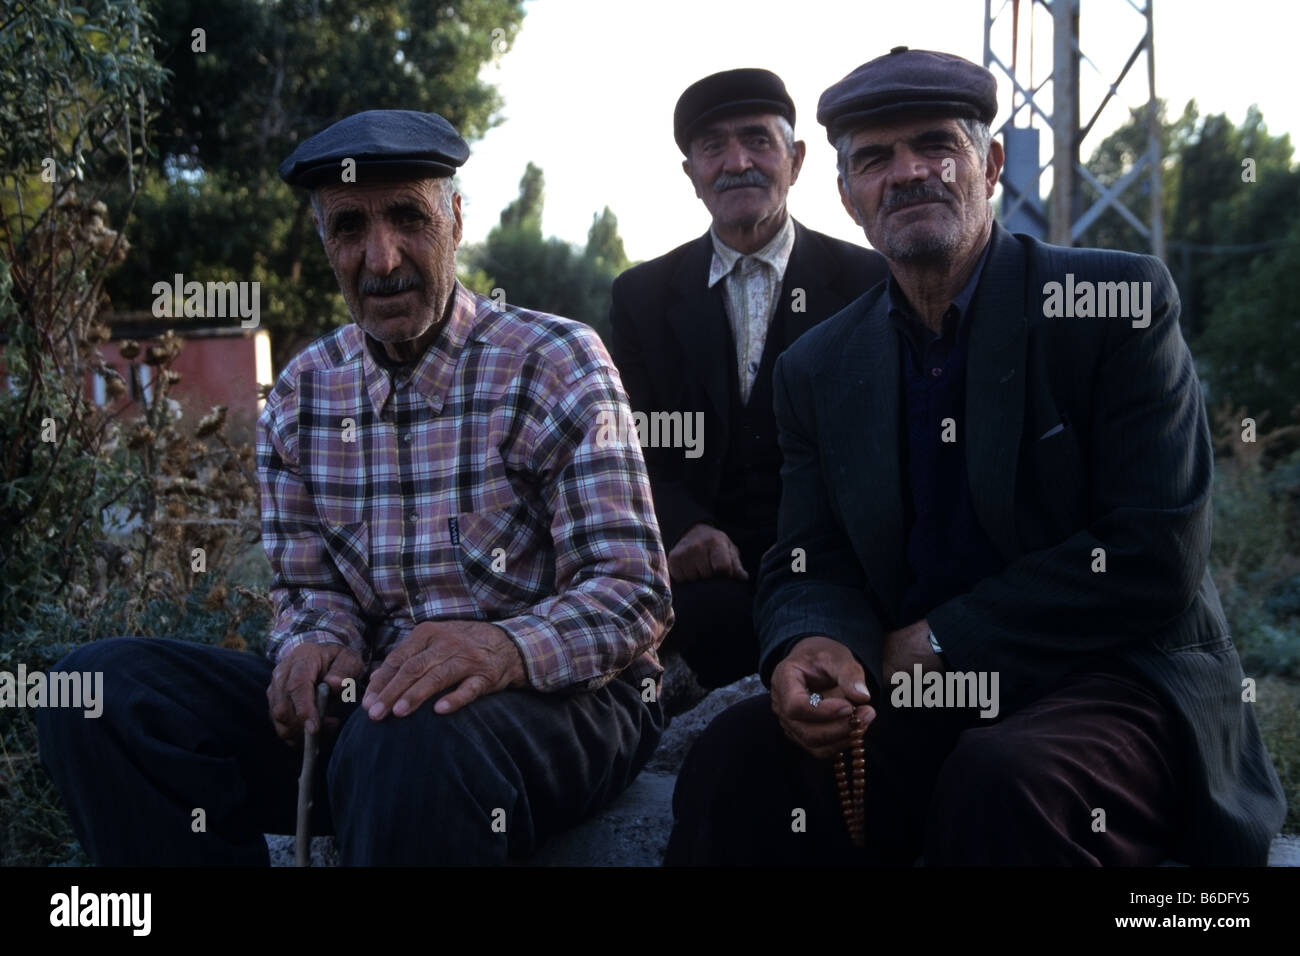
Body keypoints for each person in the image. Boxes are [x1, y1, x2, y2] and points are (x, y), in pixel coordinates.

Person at [665, 48, 1286, 865]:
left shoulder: (1114, 304)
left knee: (1001, 784)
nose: (909, 173)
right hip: (918, 689)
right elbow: (809, 557)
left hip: (1113, 680)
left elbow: (1154, 553)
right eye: (876, 159)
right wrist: (812, 642)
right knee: (732, 764)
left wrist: (938, 642)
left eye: (936, 146)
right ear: (848, 195)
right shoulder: (816, 367)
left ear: (989, 165)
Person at [38, 109, 672, 865]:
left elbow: (633, 592)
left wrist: (502, 646)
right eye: (348, 228)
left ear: (456, 219)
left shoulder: (555, 360)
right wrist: (316, 650)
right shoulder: (305, 392)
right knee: (96, 692)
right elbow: (309, 593)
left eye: (407, 216)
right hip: (377, 717)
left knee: (408, 729)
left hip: (565, 699)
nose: (381, 258)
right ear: (324, 243)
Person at [608, 68, 888, 691]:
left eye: (758, 141)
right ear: (691, 175)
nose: (738, 162)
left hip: (843, 573)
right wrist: (683, 527)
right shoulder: (642, 297)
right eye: (713, 146)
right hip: (712, 580)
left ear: (796, 159)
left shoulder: (871, 282)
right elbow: (628, 446)